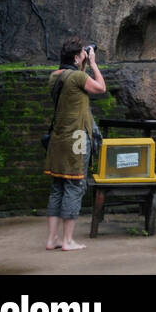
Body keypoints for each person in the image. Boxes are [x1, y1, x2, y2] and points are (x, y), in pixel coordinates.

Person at [44, 36, 105, 251]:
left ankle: (52, 240)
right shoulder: (78, 76)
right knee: (75, 186)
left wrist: (83, 64)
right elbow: (100, 88)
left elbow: (77, 84)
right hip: (77, 140)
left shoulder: (55, 76)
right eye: (83, 53)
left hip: (58, 139)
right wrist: (94, 64)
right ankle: (68, 241)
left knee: (58, 187)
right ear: (77, 57)